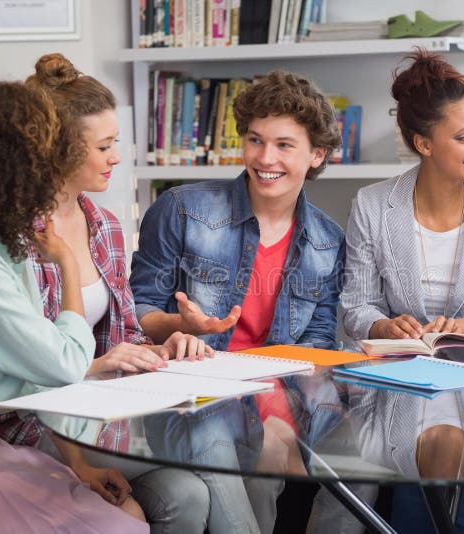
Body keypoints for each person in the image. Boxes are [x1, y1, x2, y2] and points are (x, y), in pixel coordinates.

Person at [0, 78, 147, 532]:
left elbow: (40, 376)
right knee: (120, 526)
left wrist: (81, 465)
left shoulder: (0, 248)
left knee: (125, 521)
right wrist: (68, 265)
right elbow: (63, 365)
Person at [0, 53, 214, 534]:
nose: (116, 157)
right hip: (32, 428)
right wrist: (101, 365)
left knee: (189, 493)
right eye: (104, 146)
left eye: (116, 143)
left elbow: (124, 336)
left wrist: (162, 347)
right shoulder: (7, 238)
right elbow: (16, 369)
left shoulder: (106, 227)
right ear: (56, 149)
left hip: (102, 420)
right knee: (135, 508)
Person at [130, 69, 346, 533]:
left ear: (317, 154)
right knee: (220, 436)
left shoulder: (328, 240)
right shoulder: (181, 209)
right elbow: (136, 311)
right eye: (255, 140)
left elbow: (319, 340)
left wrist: (280, 410)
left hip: (272, 391)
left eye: (284, 145)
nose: (265, 158)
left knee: (274, 462)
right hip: (187, 393)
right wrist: (181, 328)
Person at [335, 48, 464, 533]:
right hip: (398, 377)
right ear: (423, 143)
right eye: (463, 137)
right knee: (434, 446)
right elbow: (356, 306)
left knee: (446, 445)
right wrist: (384, 325)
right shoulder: (373, 205)